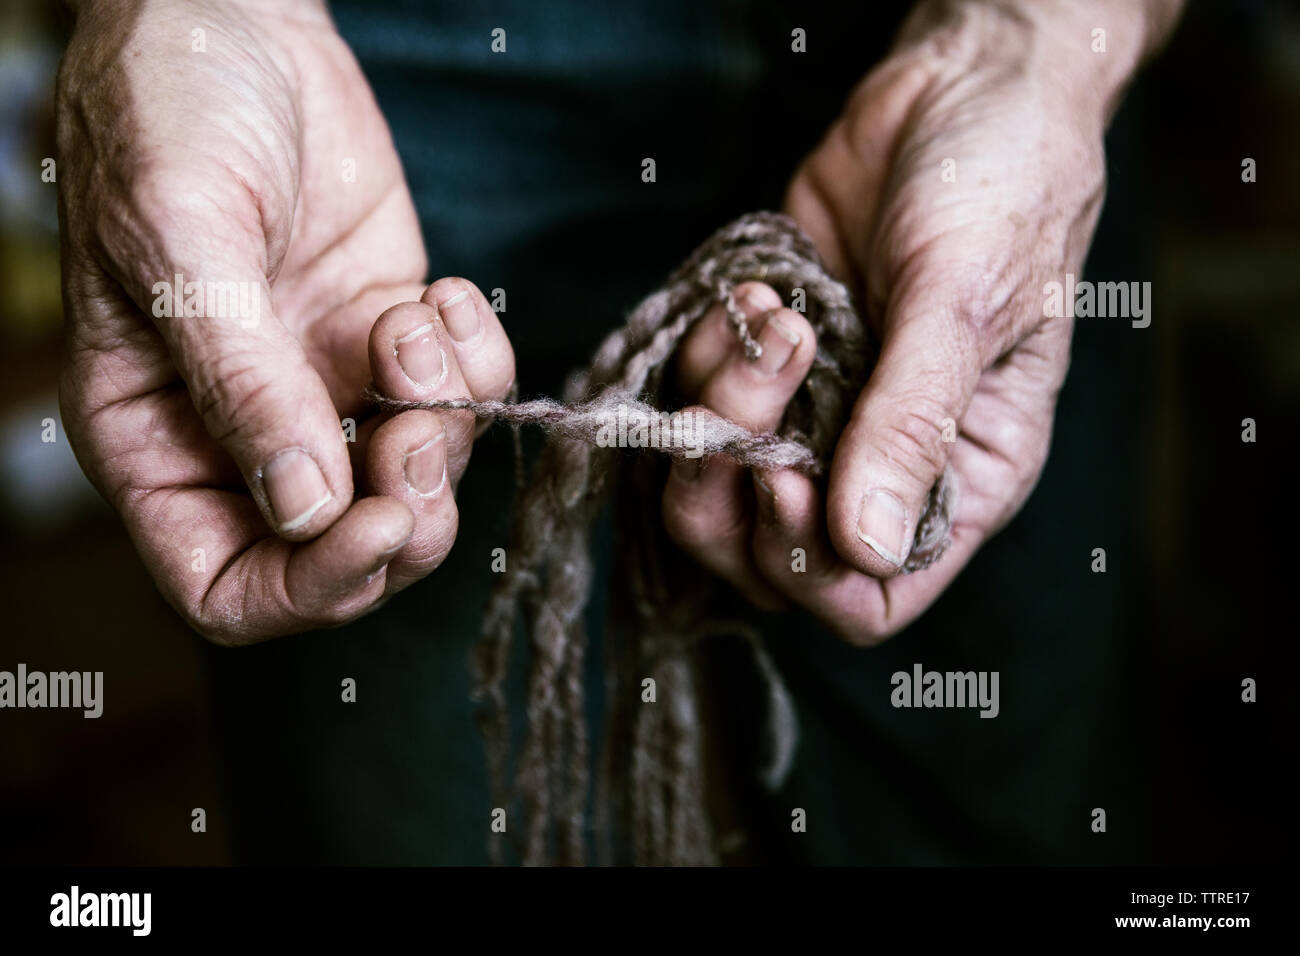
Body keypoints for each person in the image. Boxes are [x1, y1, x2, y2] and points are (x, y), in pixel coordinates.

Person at [54, 0, 1184, 863]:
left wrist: (1037, 41)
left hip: (970, 119)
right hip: (384, 80)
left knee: (991, 797)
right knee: (423, 808)